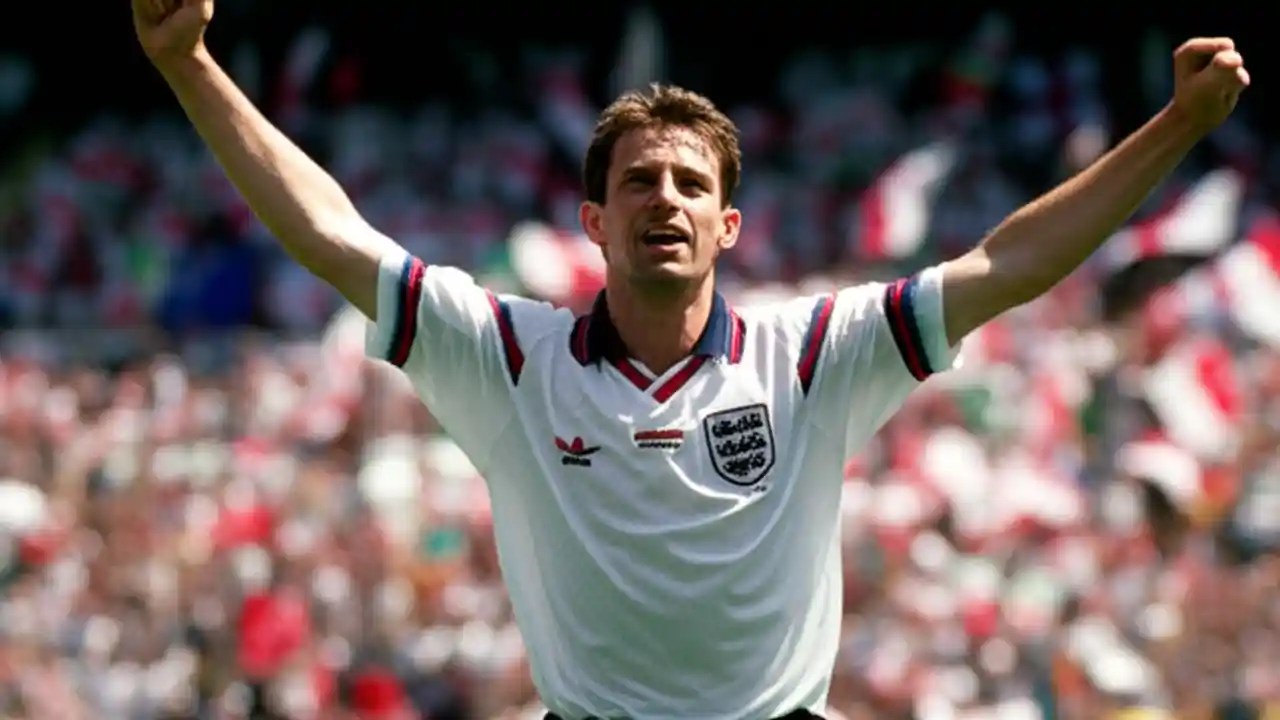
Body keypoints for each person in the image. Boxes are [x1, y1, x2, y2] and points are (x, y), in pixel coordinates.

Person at [131, 2, 1251, 717]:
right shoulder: (510, 357)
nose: (662, 198)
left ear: (727, 226)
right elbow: (335, 236)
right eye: (636, 182)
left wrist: (1174, 128)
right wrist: (190, 67)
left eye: (688, 184)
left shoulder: (813, 353)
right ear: (592, 220)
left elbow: (1008, 262)